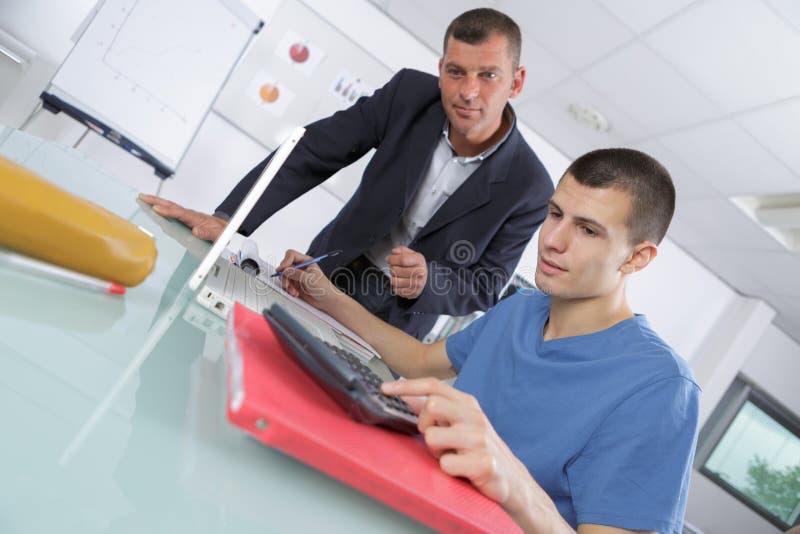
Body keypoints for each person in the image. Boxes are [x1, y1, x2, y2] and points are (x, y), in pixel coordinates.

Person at [277, 148, 701, 533]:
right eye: (555, 214)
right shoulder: (521, 309)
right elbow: (421, 360)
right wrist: (325, 295)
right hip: (401, 501)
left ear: (636, 257)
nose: (553, 241)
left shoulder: (660, 386)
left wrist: (511, 480)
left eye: (588, 230)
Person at [140, 8, 553, 340]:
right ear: (441, 67)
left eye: (488, 76)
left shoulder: (530, 187)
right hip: (323, 275)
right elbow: (310, 154)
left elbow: (485, 284)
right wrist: (231, 220)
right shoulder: (409, 95)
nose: (467, 91)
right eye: (456, 72)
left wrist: (430, 281)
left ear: (516, 82)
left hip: (394, 324)